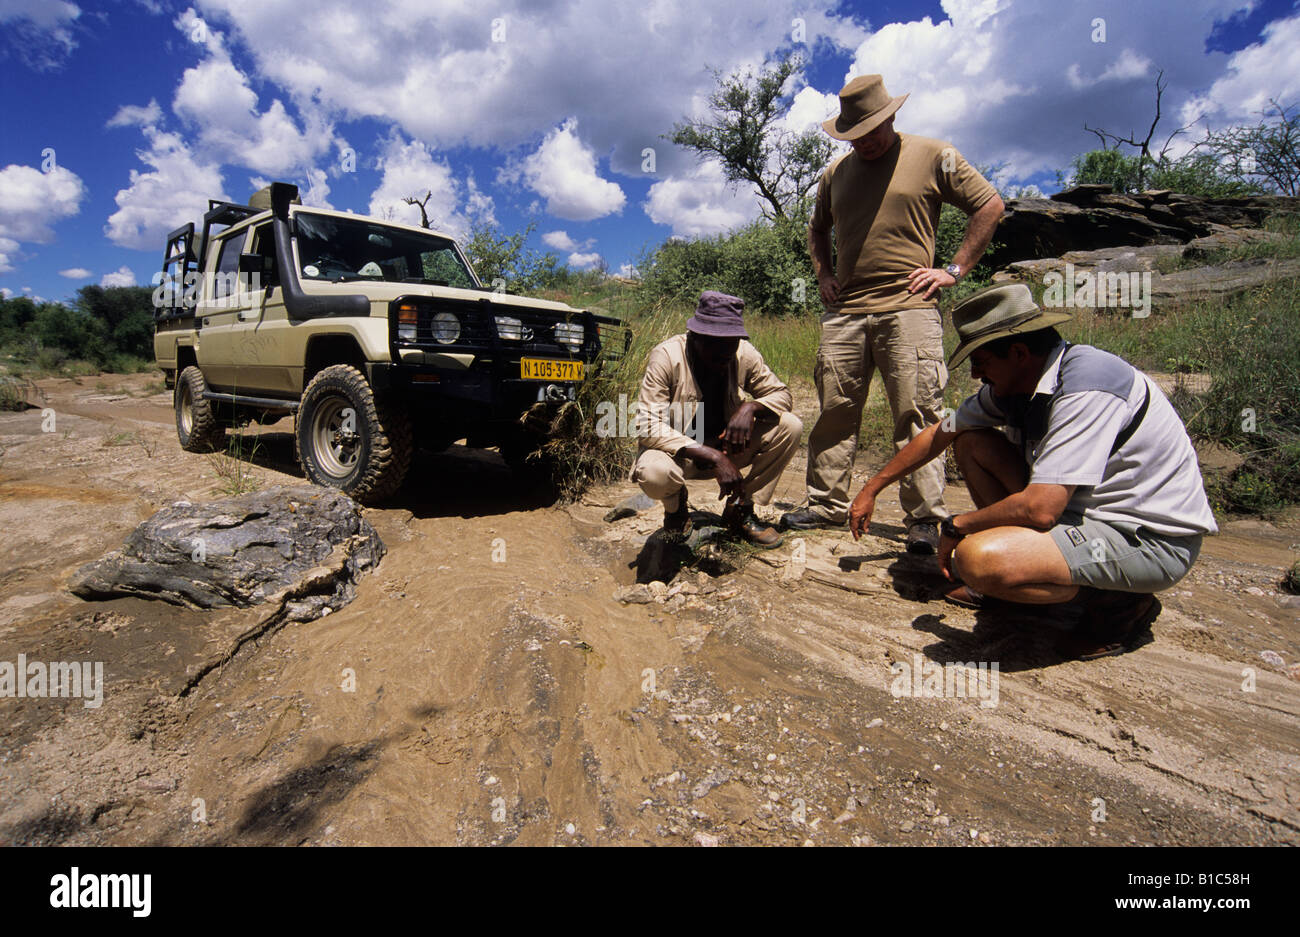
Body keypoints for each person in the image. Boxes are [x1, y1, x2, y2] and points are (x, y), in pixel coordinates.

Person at [847, 283, 1218, 660]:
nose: (976, 373)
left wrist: (957, 525)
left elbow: (1042, 509)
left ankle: (1118, 603)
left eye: (981, 360)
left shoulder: (1087, 385)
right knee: (972, 442)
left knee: (977, 558)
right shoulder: (1018, 386)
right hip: (1083, 516)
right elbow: (939, 434)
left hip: (1147, 540)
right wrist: (872, 488)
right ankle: (1029, 577)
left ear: (1019, 352)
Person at [780, 74, 1005, 555]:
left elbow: (989, 204)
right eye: (855, 135)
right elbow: (817, 230)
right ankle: (824, 503)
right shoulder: (835, 173)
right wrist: (822, 275)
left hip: (910, 308)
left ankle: (924, 518)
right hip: (845, 313)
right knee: (835, 411)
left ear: (892, 117)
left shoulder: (933, 154)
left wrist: (954, 269)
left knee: (918, 414)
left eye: (872, 130)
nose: (865, 141)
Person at [630, 291, 803, 549]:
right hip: (681, 456)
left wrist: (751, 409)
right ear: (696, 338)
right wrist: (713, 457)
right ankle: (676, 510)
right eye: (716, 353)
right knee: (654, 473)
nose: (724, 362)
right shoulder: (666, 356)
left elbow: (781, 394)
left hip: (729, 449)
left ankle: (740, 509)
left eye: (729, 350)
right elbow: (645, 425)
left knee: (790, 425)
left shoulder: (742, 352)